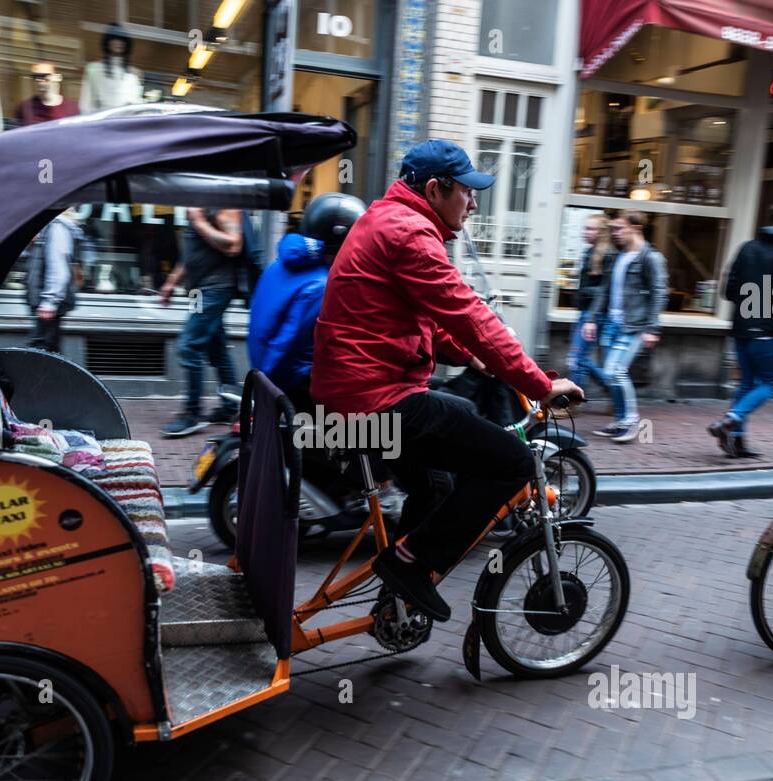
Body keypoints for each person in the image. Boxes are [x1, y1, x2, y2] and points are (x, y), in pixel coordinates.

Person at [312, 140, 582, 622]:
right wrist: (541, 384)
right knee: (512, 461)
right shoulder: (411, 234)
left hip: (353, 404)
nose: (474, 202)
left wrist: (474, 360)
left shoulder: (387, 219)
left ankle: (398, 598)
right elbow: (468, 314)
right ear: (435, 190)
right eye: (467, 192)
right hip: (374, 405)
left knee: (438, 482)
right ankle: (410, 565)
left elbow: (430, 319)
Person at [709, 199, 773, 458]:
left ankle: (736, 442)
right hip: (766, 328)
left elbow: (728, 289)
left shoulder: (747, 247)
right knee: (771, 382)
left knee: (747, 383)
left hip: (742, 327)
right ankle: (730, 421)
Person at [248, 192, 366, 408]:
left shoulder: (282, 263)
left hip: (265, 371)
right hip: (289, 385)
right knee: (380, 422)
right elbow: (285, 345)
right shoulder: (320, 286)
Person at [160, 208, 244, 437]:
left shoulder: (221, 208)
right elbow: (191, 254)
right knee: (217, 349)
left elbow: (234, 244)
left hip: (215, 289)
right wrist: (171, 282)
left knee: (189, 346)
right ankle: (231, 406)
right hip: (200, 291)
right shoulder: (200, 208)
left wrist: (198, 222)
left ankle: (192, 414)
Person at [584, 210, 666, 443]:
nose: (615, 233)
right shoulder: (618, 257)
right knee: (612, 377)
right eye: (614, 229)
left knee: (615, 372)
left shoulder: (650, 258)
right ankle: (620, 421)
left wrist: (652, 328)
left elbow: (658, 294)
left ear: (636, 229)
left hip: (634, 326)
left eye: (620, 228)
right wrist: (591, 318)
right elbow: (604, 290)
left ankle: (631, 420)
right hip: (612, 324)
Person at [23, 208, 84, 353]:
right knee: (46, 350)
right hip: (43, 301)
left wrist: (49, 301)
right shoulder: (48, 227)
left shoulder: (57, 227)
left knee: (42, 350)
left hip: (47, 304)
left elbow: (58, 265)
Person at [567, 213, 615, 393]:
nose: (585, 232)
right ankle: (612, 387)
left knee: (579, 356)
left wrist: (591, 317)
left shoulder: (608, 255)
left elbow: (605, 289)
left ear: (601, 232)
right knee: (580, 357)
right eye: (585, 227)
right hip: (586, 311)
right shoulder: (590, 252)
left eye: (590, 228)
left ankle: (573, 401)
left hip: (594, 314)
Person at [80, 23, 148, 113]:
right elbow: (85, 104)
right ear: (108, 42)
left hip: (126, 121)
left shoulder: (135, 73)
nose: (119, 43)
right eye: (114, 39)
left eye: (122, 40)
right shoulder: (93, 69)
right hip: (101, 121)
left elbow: (136, 102)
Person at [14, 62, 80, 127]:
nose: (39, 81)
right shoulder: (25, 108)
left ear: (57, 77)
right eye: (35, 77)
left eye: (44, 76)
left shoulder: (72, 108)